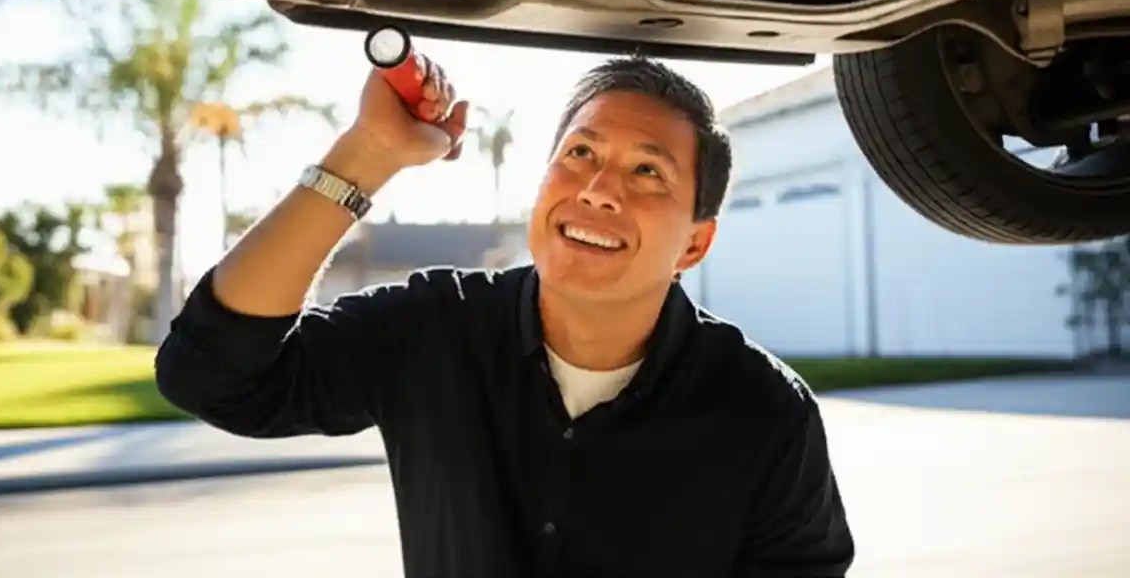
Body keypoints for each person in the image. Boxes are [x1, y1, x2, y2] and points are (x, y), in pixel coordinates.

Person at [155, 53, 855, 577]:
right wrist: (368, 153)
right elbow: (209, 377)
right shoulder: (436, 328)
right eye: (579, 152)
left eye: (649, 172)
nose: (600, 189)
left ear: (695, 243)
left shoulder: (764, 413)